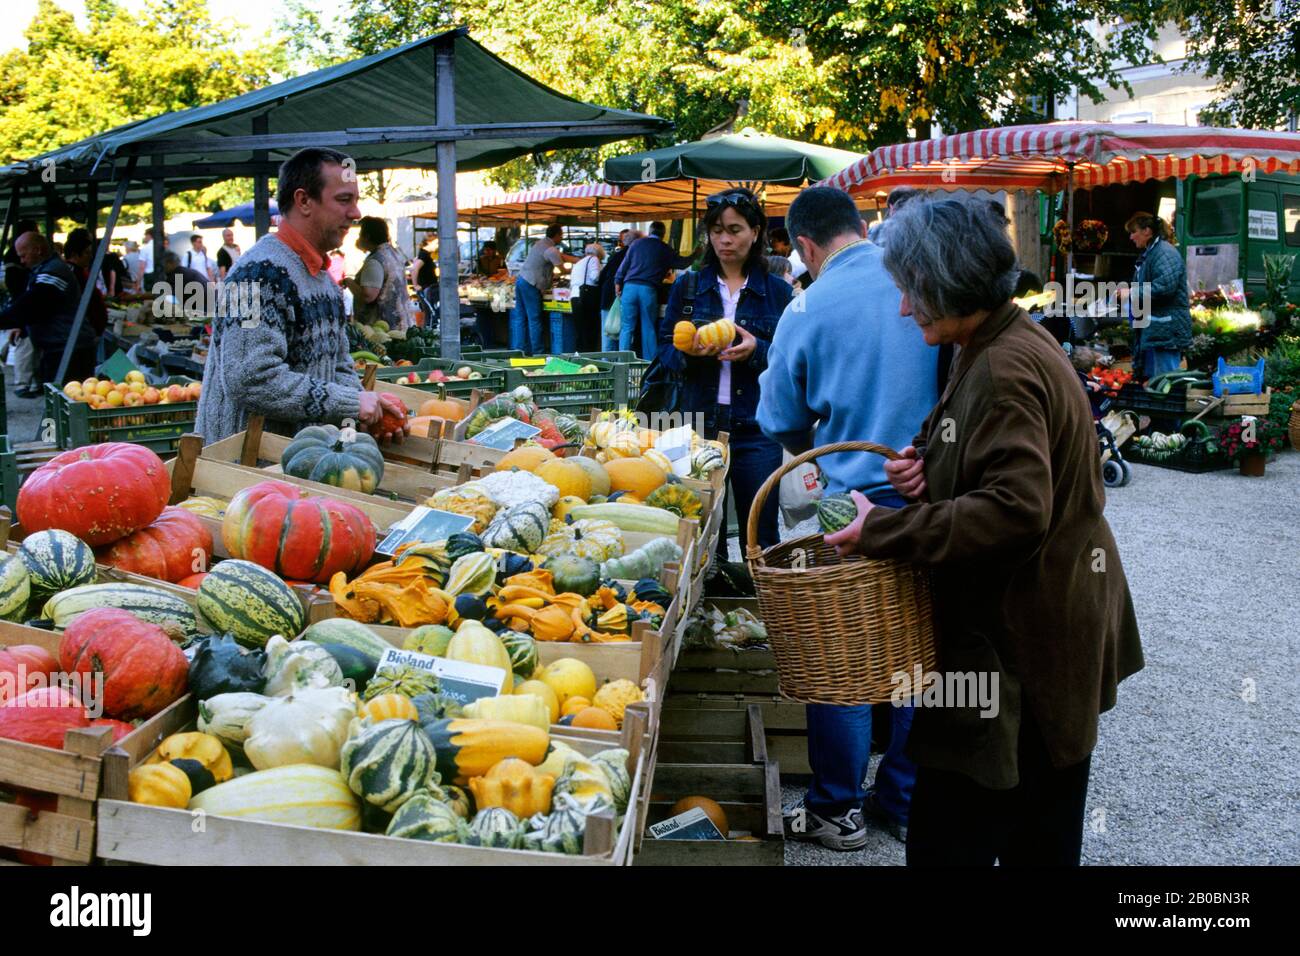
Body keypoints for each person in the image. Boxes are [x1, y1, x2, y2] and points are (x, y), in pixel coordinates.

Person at [823, 198, 1143, 867]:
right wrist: (931, 471)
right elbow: (996, 460)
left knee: (970, 829)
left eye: (911, 291)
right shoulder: (995, 338)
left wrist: (885, 527)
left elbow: (1016, 509)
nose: (905, 309)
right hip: (1042, 621)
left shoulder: (1002, 366)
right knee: (1036, 815)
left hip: (1026, 637)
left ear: (948, 283)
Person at [758, 185, 940, 850]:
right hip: (924, 495)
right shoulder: (919, 283)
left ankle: (838, 808)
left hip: (839, 500)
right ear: (862, 225)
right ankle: (903, 796)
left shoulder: (807, 304)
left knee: (841, 654)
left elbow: (778, 419)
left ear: (804, 246)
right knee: (917, 652)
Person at [195, 147, 409, 446]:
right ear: (304, 201)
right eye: (344, 200)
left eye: (356, 201)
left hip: (297, 462)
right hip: (242, 468)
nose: (356, 213)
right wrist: (349, 403)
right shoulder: (253, 277)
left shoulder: (324, 281)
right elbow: (250, 379)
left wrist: (366, 407)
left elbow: (340, 365)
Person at [658, 188, 793, 560]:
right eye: (716, 230)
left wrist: (757, 352)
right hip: (699, 425)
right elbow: (664, 351)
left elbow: (792, 362)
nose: (724, 239)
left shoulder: (779, 293)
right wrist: (688, 353)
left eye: (734, 229)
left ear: (755, 231)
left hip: (755, 427)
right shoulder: (687, 287)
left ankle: (764, 607)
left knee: (760, 533)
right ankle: (710, 609)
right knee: (703, 532)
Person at [0, 231, 98, 393]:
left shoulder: (53, 272)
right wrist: (22, 326)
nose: (21, 261)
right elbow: (40, 309)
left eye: (23, 256)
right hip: (60, 347)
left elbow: (33, 303)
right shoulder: (44, 270)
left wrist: (7, 320)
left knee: (71, 401)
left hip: (70, 350)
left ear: (38, 250)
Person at [1125, 212, 1190, 379]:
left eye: (1134, 232)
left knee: (1165, 381)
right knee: (1155, 381)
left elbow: (1164, 287)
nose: (1131, 237)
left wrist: (1132, 292)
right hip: (1156, 328)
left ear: (1147, 231)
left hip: (1165, 329)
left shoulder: (1164, 253)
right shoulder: (1152, 253)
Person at [617, 221, 695, 360]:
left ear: (650, 231)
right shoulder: (664, 248)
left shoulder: (636, 244)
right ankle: (649, 363)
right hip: (648, 289)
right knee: (648, 327)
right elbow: (682, 263)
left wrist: (618, 282)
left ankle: (623, 362)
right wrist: (696, 254)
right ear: (663, 234)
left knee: (627, 327)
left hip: (629, 287)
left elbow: (624, 266)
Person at [514, 224, 579, 355]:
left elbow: (562, 256)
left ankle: (520, 350)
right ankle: (538, 352)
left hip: (521, 280)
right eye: (561, 235)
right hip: (531, 284)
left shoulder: (540, 244)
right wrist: (577, 268)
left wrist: (581, 260)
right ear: (556, 235)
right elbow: (562, 269)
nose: (562, 237)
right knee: (534, 319)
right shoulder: (551, 250)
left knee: (521, 318)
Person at [344, 216, 416, 330]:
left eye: (359, 235)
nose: (357, 240)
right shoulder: (394, 254)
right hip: (401, 325)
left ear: (367, 237)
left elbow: (368, 296)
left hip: (383, 330)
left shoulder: (375, 261)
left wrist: (348, 282)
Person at [62, 229, 108, 336]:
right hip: (82, 333)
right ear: (74, 254)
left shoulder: (79, 271)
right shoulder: (73, 274)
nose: (90, 257)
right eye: (87, 253)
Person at [598, 229, 639, 351]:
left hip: (608, 296)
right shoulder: (633, 255)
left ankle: (607, 364)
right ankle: (614, 364)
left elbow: (602, 276)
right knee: (617, 332)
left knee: (609, 332)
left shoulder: (617, 255)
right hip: (617, 296)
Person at [570, 242, 605, 353]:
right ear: (599, 254)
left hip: (575, 296)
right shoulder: (594, 259)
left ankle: (580, 355)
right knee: (590, 329)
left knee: (580, 331)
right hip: (587, 297)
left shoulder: (579, 262)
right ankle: (590, 355)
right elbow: (594, 277)